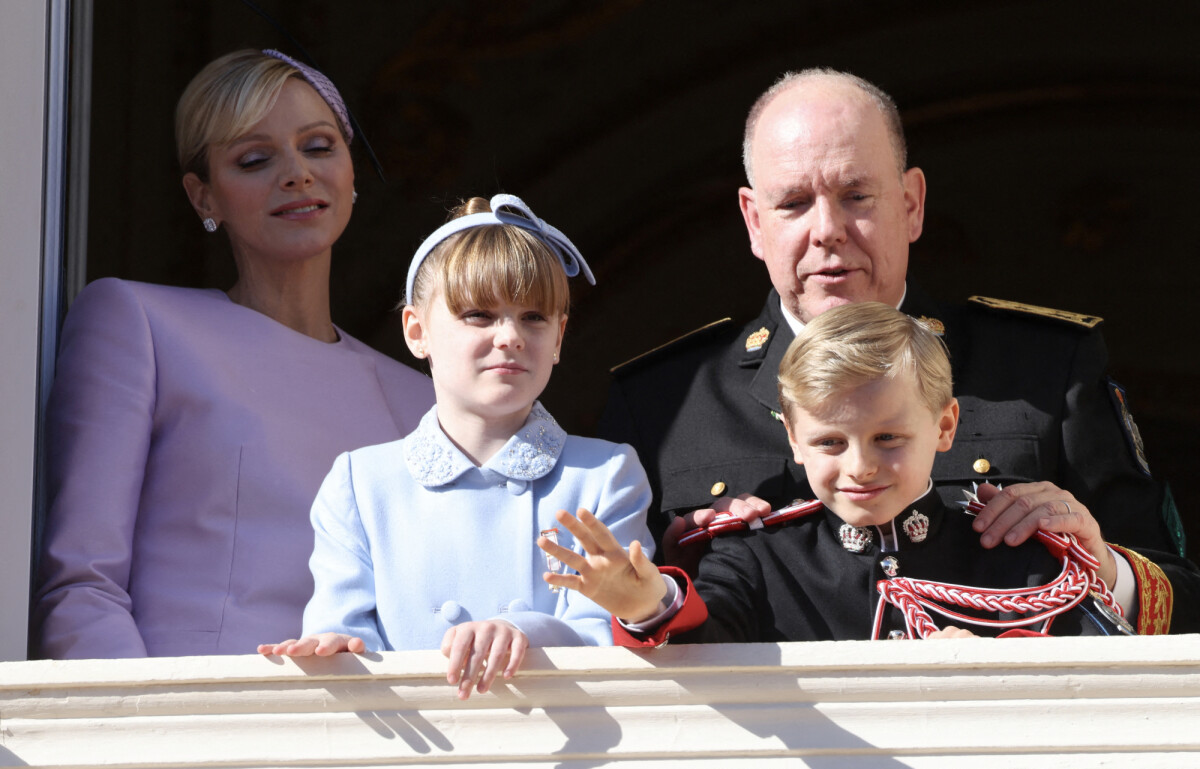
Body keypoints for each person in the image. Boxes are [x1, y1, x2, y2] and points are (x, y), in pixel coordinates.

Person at [598, 68, 1185, 564]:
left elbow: (1180, 601)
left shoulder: (1045, 368)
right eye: (794, 203)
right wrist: (669, 576)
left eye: (856, 196)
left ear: (910, 205)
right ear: (755, 222)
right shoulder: (662, 403)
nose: (827, 231)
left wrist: (1104, 564)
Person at [32, 49, 435, 659]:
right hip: (193, 727)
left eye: (320, 146)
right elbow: (82, 585)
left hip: (377, 736)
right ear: (204, 198)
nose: (297, 173)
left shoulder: (421, 399)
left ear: (353, 173)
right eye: (254, 159)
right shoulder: (138, 323)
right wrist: (151, 739)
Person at [544, 302, 1199, 643]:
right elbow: (707, 631)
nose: (860, 466)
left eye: (889, 437)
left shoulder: (1016, 551)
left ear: (945, 428)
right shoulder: (759, 559)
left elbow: (1122, 668)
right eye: (831, 441)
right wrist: (645, 603)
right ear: (794, 440)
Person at [258, 195, 654, 700]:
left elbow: (614, 633)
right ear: (416, 331)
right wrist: (335, 648)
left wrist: (524, 632)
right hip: (422, 751)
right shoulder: (361, 481)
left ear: (559, 337)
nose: (510, 335)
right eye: (479, 315)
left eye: (533, 316)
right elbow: (342, 622)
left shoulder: (605, 472)